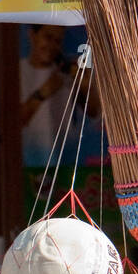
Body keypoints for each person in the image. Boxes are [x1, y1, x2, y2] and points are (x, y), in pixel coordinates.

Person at [19, 24, 101, 167]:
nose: (52, 45)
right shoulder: (18, 70)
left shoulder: (67, 71)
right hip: (29, 161)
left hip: (70, 160)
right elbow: (13, 122)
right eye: (48, 37)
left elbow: (93, 112)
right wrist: (43, 92)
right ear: (32, 35)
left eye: (57, 41)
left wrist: (85, 88)